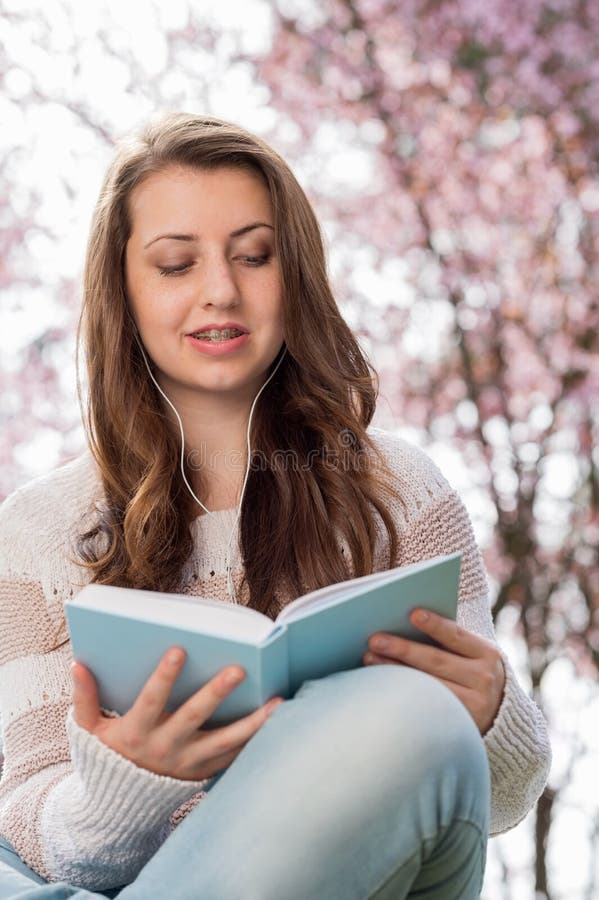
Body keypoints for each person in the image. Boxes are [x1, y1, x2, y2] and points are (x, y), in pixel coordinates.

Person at [0, 112, 551, 900]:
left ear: (294, 272)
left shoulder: (397, 489)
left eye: (253, 256)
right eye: (175, 264)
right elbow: (30, 828)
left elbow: (492, 801)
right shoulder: (38, 530)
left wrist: (494, 715)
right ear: (123, 287)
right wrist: (122, 788)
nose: (219, 291)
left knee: (413, 721)